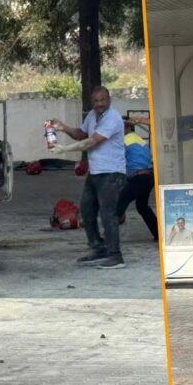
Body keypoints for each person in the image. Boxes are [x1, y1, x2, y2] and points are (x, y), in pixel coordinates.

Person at [50, 86, 127, 269]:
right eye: (96, 101)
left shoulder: (113, 118)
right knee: (87, 210)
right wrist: (63, 128)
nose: (99, 104)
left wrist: (64, 149)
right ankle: (98, 248)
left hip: (112, 172)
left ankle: (115, 256)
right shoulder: (92, 116)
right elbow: (82, 134)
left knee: (108, 214)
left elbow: (91, 142)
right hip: (95, 172)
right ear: (92, 102)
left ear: (109, 99)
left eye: (102, 100)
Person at [115, 116, 158, 241]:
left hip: (138, 178)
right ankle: (158, 234)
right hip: (149, 177)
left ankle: (109, 238)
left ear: (127, 128)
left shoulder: (124, 141)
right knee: (142, 206)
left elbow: (117, 160)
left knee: (119, 205)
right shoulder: (140, 140)